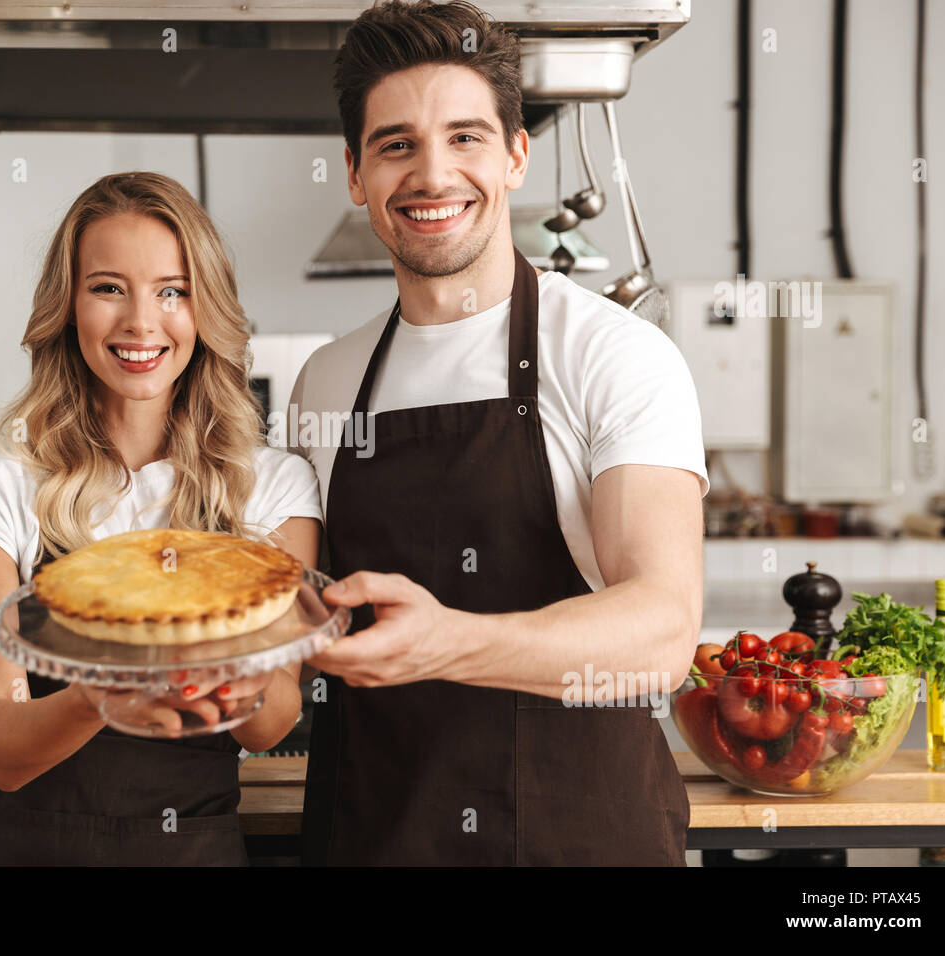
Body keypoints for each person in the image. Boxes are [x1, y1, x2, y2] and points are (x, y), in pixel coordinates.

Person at [291, 0, 709, 865]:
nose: (433, 175)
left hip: (576, 838)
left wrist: (453, 642)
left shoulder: (615, 355)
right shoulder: (326, 381)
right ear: (354, 171)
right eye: (396, 143)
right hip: (376, 837)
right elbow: (304, 616)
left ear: (518, 155)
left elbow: (663, 633)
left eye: (467, 137)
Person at [0, 171, 322, 865]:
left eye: (173, 291)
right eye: (108, 288)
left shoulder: (272, 488)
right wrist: (99, 698)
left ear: (206, 310)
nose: (141, 322)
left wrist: (243, 680)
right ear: (68, 307)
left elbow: (274, 720)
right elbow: (0, 746)